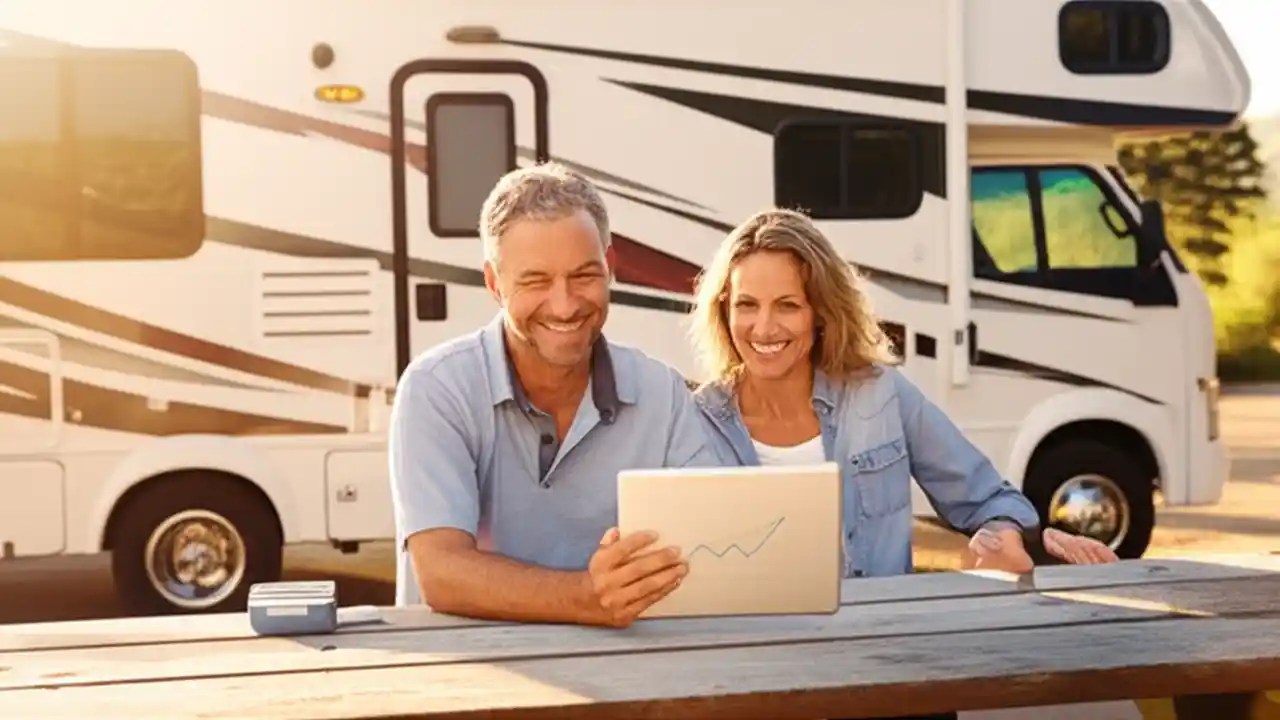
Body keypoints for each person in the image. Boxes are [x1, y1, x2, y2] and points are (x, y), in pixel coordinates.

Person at [687, 208, 1119, 581]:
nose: (764, 328)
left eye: (788, 305)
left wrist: (1004, 537)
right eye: (746, 305)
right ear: (723, 310)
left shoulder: (879, 394)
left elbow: (991, 499)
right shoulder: (695, 419)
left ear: (821, 313)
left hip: (880, 646)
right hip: (748, 658)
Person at [388, 162, 718, 627]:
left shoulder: (661, 393)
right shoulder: (436, 389)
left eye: (584, 276)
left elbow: (713, 547)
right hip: (470, 676)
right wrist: (586, 596)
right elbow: (442, 573)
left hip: (630, 678)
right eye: (536, 281)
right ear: (494, 284)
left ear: (610, 269)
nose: (564, 305)